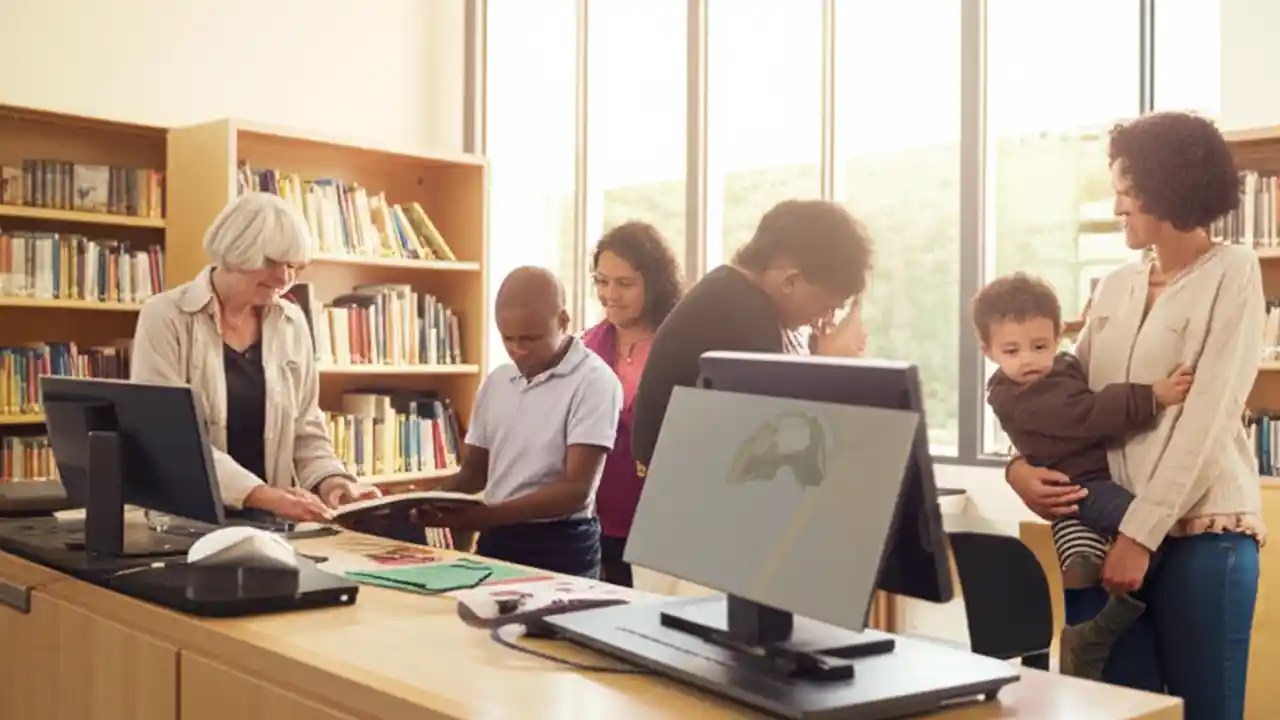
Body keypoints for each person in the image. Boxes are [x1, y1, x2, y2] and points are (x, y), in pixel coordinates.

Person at [1004, 111, 1263, 718]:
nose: (1117, 204)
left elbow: (1206, 421)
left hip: (1202, 536)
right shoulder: (1116, 284)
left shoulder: (1234, 272)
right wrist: (1018, 468)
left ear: (1166, 188)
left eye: (1126, 189)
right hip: (1106, 531)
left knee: (1204, 712)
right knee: (1118, 710)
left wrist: (1140, 536)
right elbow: (1059, 396)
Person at [972, 271, 1192, 679]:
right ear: (987, 350)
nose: (1028, 360)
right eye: (1012, 350)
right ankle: (1098, 632)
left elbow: (1069, 368)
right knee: (1151, 528)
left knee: (1087, 554)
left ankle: (1083, 564)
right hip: (1083, 485)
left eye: (1040, 346)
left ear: (1057, 337)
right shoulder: (1021, 395)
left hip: (1081, 487)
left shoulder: (1048, 371)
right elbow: (1086, 413)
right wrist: (1152, 396)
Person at [131, 192, 380, 523]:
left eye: (293, 266)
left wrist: (331, 479)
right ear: (235, 251)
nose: (284, 278)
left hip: (273, 525)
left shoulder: (292, 322)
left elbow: (306, 426)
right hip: (187, 525)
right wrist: (265, 496)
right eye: (272, 262)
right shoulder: (166, 316)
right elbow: (168, 437)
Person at [631, 199, 872, 477]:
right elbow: (785, 439)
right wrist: (830, 366)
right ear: (790, 281)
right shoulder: (741, 315)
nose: (825, 320)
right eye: (826, 307)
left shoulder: (731, 293)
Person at [425, 266, 622, 578]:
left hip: (561, 545)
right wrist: (427, 500)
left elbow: (576, 490)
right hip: (498, 537)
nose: (518, 350)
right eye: (509, 339)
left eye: (531, 338)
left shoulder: (594, 381)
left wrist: (488, 516)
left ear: (563, 321)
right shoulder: (497, 381)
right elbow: (474, 474)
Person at [581, 222, 683, 587]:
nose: (610, 294)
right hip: (595, 522)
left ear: (654, 284)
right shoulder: (585, 347)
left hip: (661, 523)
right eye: (601, 281)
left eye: (625, 284)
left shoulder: (678, 344)